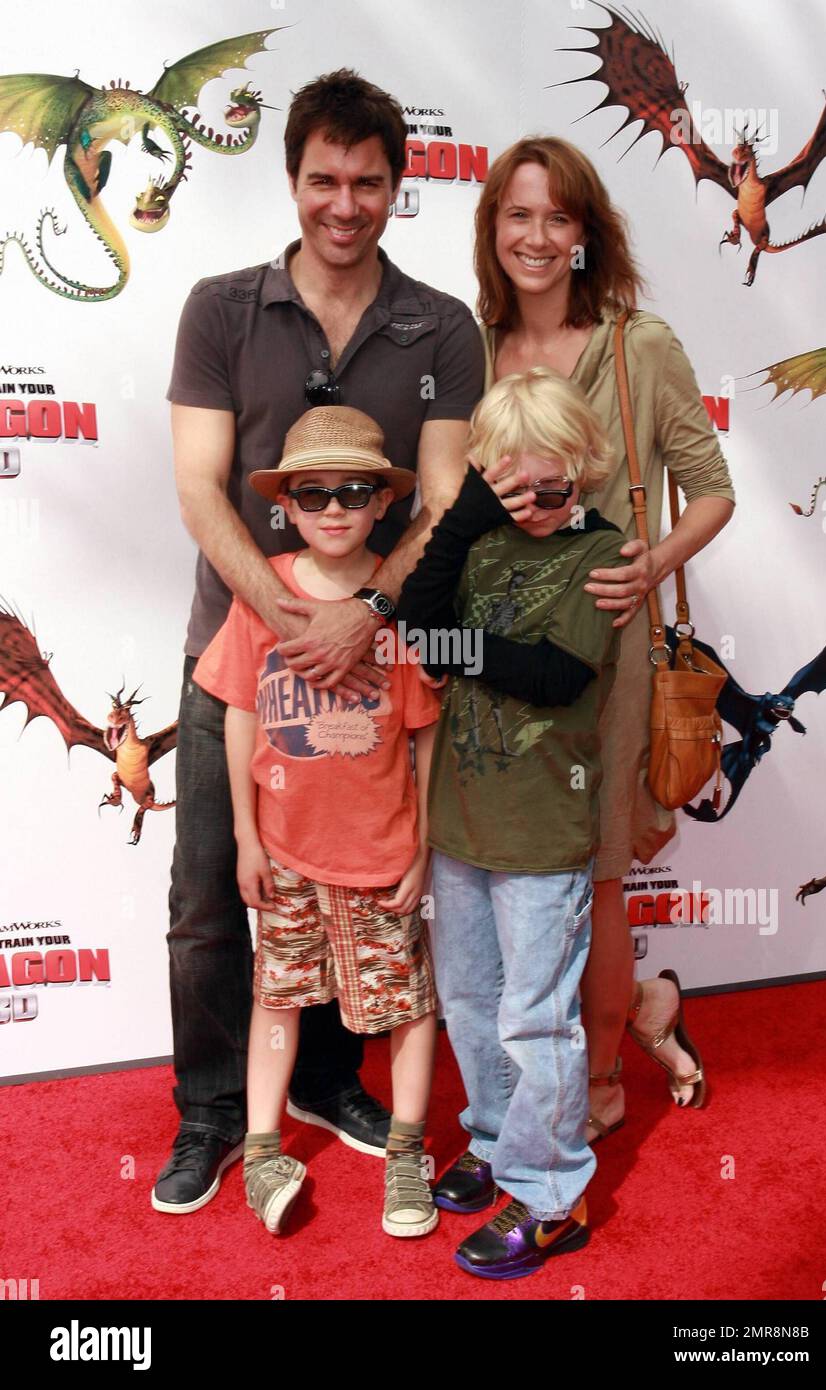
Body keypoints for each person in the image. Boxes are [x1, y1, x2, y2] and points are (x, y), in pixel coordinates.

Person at [154, 68, 483, 1214]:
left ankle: (336, 1086)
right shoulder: (220, 308)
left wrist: (370, 615)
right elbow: (202, 491)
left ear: (399, 184)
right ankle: (212, 1119)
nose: (344, 203)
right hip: (238, 651)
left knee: (358, 888)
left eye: (368, 182)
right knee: (211, 894)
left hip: (378, 654)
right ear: (292, 178)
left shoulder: (440, 323)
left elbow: (442, 500)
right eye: (322, 179)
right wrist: (291, 619)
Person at [472, 137, 736, 1143]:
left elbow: (712, 492)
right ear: (492, 229)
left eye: (557, 218)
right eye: (517, 217)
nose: (536, 238)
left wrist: (651, 561)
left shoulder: (638, 346)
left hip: (610, 647)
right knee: (510, 872)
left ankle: (593, 1072)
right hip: (499, 653)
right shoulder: (473, 343)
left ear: (584, 234)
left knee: (601, 872)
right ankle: (609, 1026)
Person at [399, 366, 626, 1279]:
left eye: (551, 484)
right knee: (469, 1003)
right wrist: (462, 517)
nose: (531, 503)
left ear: (587, 467)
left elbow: (553, 676)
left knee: (535, 1020)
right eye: (510, 484)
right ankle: (494, 1139)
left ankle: (549, 1196)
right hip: (460, 821)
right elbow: (417, 625)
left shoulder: (603, 554)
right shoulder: (479, 541)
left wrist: (455, 648)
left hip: (540, 829)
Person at [192, 406, 440, 1237]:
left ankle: (407, 1152)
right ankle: (263, 1152)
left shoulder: (396, 608)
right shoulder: (263, 592)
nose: (333, 507)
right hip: (287, 852)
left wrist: (426, 844)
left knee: (406, 1003)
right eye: (313, 493)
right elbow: (236, 714)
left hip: (381, 850)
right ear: (287, 506)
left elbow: (425, 731)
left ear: (380, 504)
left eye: (353, 491)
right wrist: (245, 835)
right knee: (279, 995)